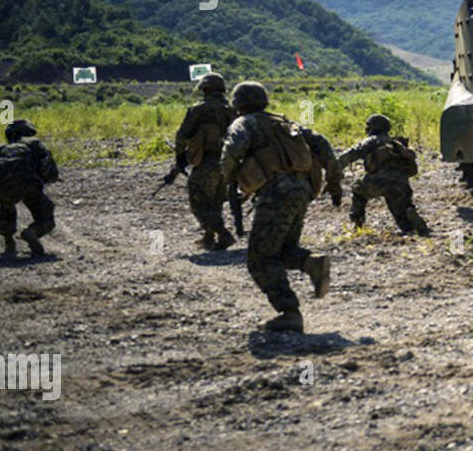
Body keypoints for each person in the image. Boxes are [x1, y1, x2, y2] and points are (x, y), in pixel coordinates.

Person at [220, 82, 343, 333]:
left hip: (275, 195)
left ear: (238, 104)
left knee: (260, 259)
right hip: (301, 192)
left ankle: (289, 313)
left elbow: (232, 150)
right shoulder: (286, 123)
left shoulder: (244, 123)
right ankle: (312, 264)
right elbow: (322, 143)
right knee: (282, 250)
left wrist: (230, 178)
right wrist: (334, 179)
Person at [338, 114, 430, 236]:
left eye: (368, 127)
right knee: (402, 215)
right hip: (401, 184)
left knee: (357, 189)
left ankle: (357, 224)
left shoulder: (371, 141)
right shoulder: (396, 143)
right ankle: (412, 220)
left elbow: (349, 156)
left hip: (378, 181)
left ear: (373, 128)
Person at [174, 71, 235, 250]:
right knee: (215, 201)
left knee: (198, 201)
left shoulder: (198, 109)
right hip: (227, 163)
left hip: (206, 161)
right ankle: (209, 237)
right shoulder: (232, 110)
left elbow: (182, 136)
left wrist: (179, 157)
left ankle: (223, 234)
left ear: (204, 89)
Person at [0, 119, 58, 258]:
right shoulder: (35, 144)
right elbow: (48, 168)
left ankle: (9, 241)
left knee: (6, 207)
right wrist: (42, 182)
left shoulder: (0, 150)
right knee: (46, 212)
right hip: (28, 184)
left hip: (5, 187)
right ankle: (33, 231)